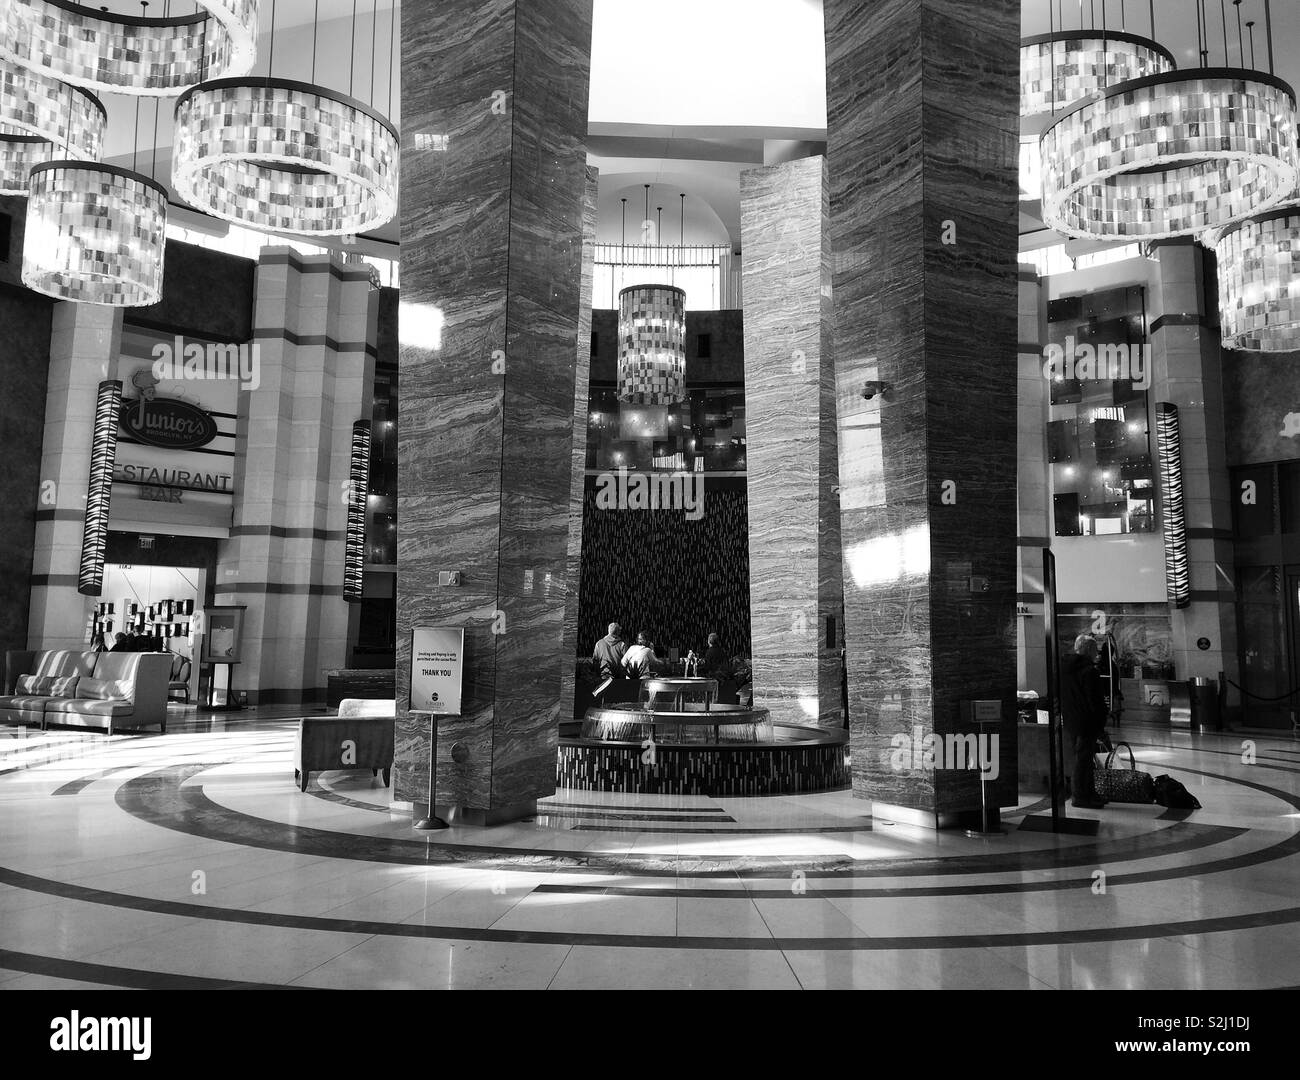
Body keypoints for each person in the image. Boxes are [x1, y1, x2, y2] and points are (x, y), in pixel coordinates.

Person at [1061, 634, 1109, 809]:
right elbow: (1094, 701)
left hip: (1071, 721)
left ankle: (1088, 793)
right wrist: (1102, 723)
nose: (1097, 653)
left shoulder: (1064, 669)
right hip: (1087, 722)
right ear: (1089, 649)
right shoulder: (1089, 671)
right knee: (1084, 760)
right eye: (1095, 649)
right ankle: (1081, 795)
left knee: (1082, 759)